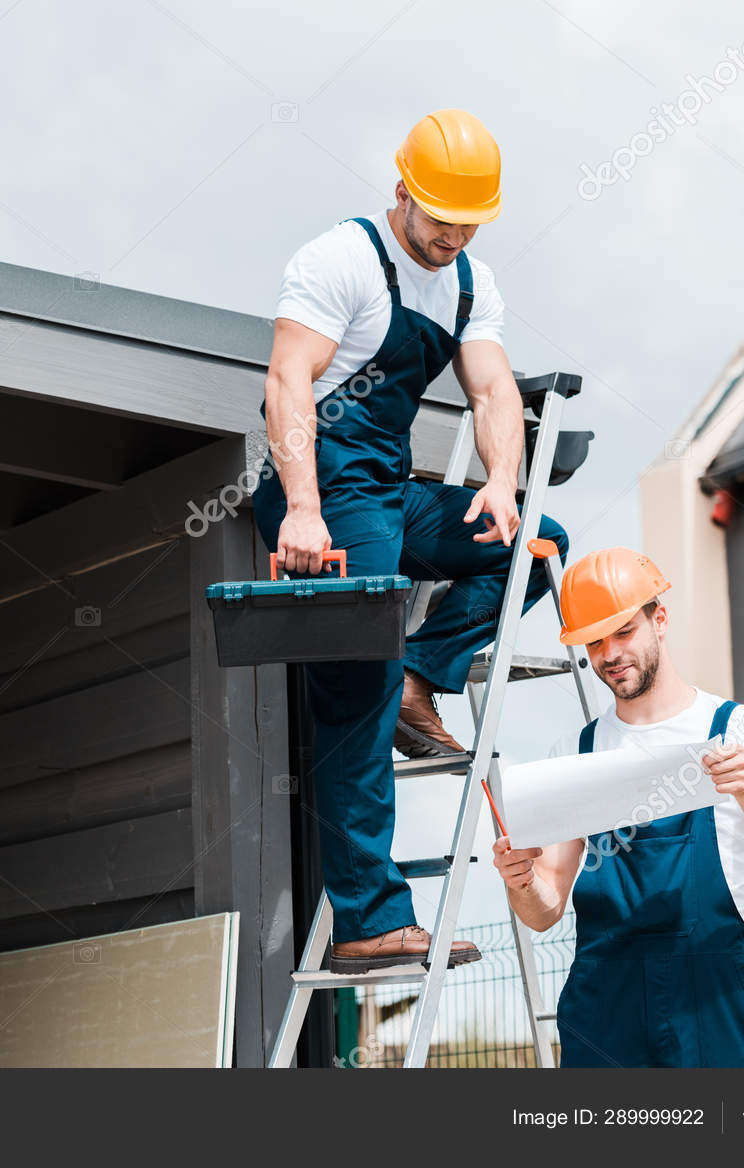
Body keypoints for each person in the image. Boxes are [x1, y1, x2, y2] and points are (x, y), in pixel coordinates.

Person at [251, 109, 566, 973]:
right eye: (439, 220)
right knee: (359, 687)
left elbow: (493, 391)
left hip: (391, 487)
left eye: (469, 225)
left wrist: (500, 483)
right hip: (326, 489)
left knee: (534, 544)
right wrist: (303, 508)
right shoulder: (342, 259)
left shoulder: (470, 284)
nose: (451, 238)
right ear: (402, 192)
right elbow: (288, 379)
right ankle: (370, 920)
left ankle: (423, 675)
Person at [491, 547, 744, 1066]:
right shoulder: (576, 754)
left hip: (709, 1000)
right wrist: (521, 882)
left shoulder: (741, 729)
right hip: (604, 1007)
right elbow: (544, 911)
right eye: (595, 642)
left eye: (623, 631)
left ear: (659, 620)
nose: (610, 653)